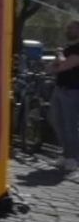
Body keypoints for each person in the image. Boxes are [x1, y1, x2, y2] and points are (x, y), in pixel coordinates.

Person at [48, 20, 79, 172]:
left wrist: (59, 57)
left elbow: (65, 65)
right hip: (59, 88)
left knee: (70, 125)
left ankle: (73, 158)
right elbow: (51, 68)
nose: (68, 30)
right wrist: (58, 63)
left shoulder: (77, 49)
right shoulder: (68, 48)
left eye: (71, 28)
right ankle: (65, 154)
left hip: (73, 90)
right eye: (68, 28)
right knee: (55, 121)